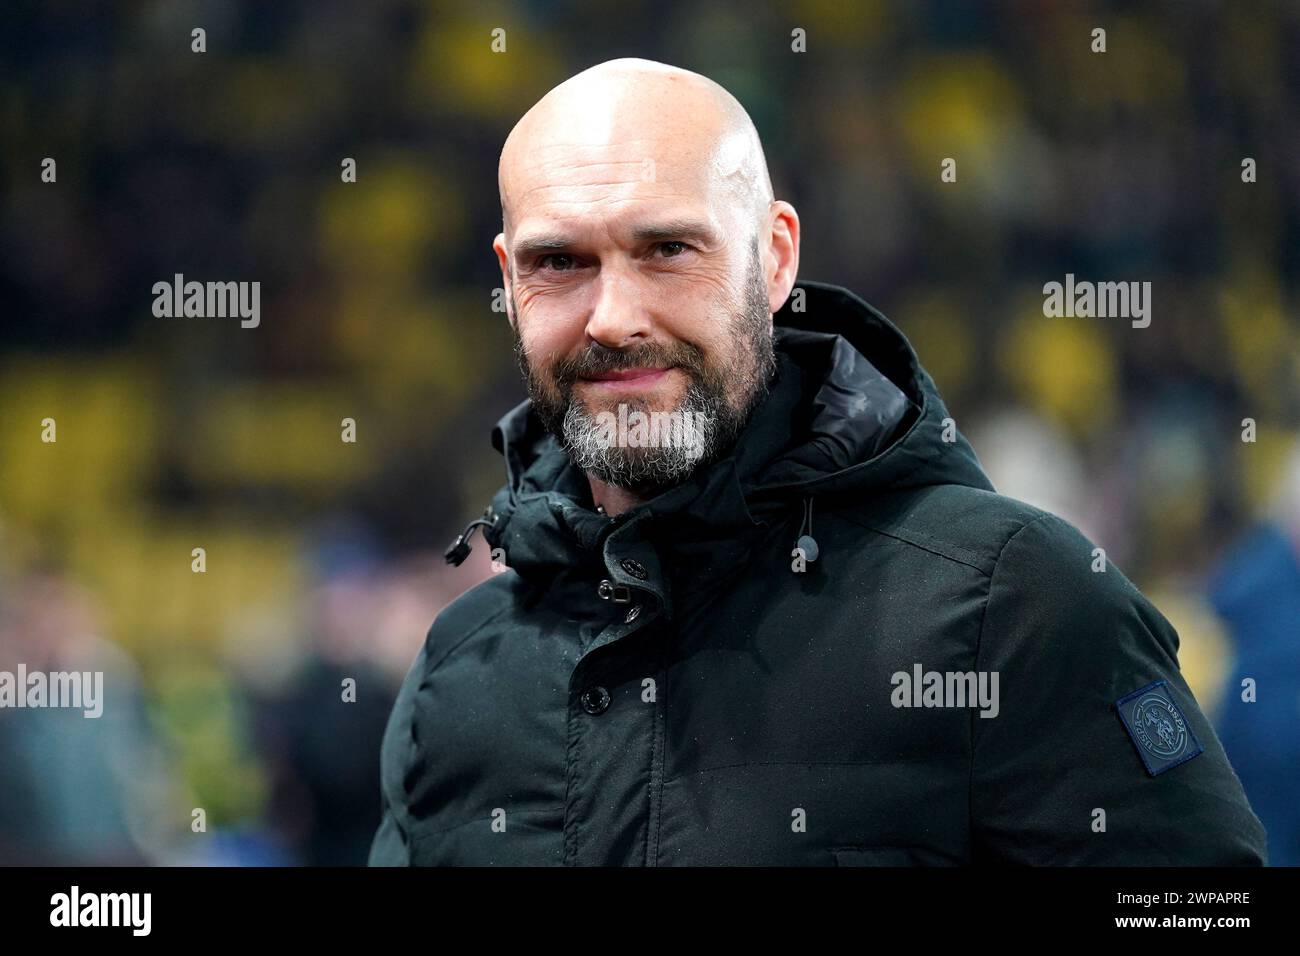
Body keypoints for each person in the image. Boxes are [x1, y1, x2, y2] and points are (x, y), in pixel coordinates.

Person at [369, 58, 1266, 865]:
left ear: (774, 258)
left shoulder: (1016, 605)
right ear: (508, 282)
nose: (612, 317)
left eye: (668, 250)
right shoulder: (460, 667)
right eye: (560, 261)